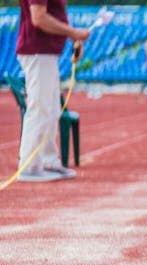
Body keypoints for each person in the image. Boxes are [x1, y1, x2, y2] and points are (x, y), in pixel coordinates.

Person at [15, 0, 90, 182]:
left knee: (51, 109)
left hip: (46, 51)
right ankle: (29, 165)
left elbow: (56, 13)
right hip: (37, 50)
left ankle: (48, 161)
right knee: (40, 108)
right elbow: (39, 17)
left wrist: (73, 38)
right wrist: (72, 33)